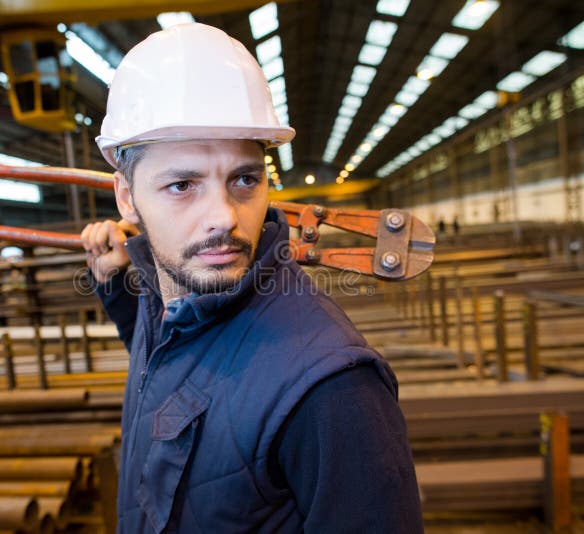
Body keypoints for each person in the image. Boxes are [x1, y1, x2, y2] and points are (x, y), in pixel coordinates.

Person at [81, 23, 423, 533]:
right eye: (182, 185)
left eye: (244, 178)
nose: (224, 215)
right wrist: (114, 284)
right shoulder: (175, 300)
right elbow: (174, 364)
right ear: (127, 197)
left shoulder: (333, 390)